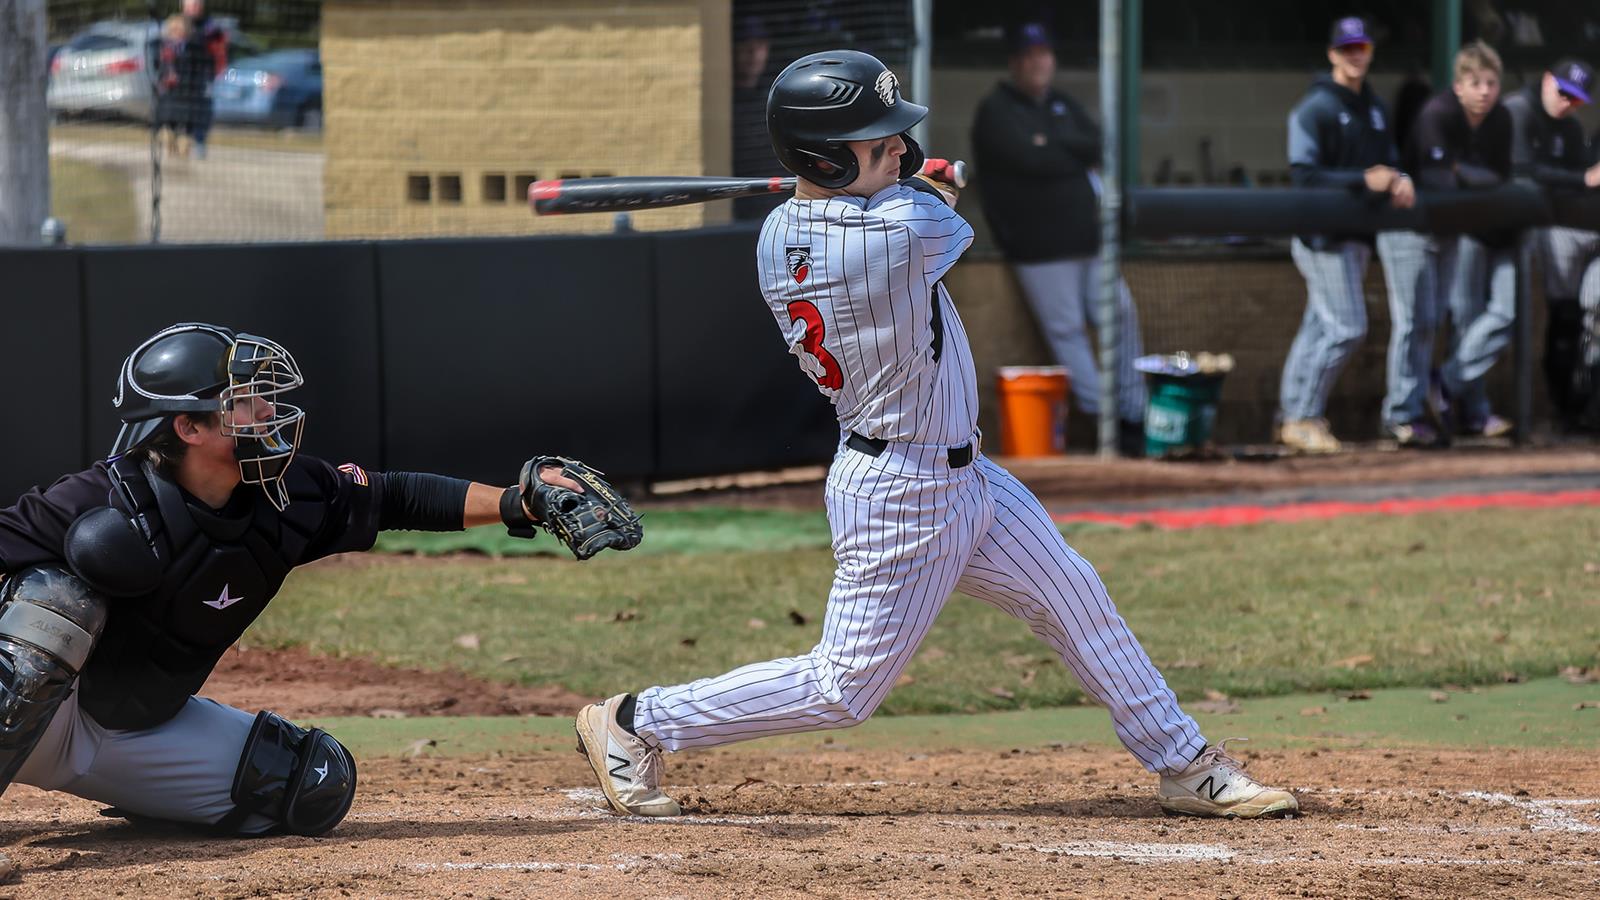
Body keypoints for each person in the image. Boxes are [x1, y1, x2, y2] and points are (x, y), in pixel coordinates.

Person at [573, 50, 1299, 822]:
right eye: (876, 139)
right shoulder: (891, 237)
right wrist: (923, 176)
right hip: (902, 494)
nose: (896, 145)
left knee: (1075, 598)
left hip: (963, 473)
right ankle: (637, 723)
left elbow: (878, 197)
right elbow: (930, 209)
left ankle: (1184, 762)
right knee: (841, 690)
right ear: (823, 158)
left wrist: (891, 172)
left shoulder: (782, 231)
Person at [0, 323, 631, 836]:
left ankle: (141, 797)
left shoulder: (291, 496)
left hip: (135, 730)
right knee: (57, 604)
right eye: (242, 401)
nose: (267, 410)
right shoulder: (96, 498)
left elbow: (395, 496)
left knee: (311, 784)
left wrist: (521, 502)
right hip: (41, 711)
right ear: (187, 427)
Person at [971, 22, 1147, 455]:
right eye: (1029, 55)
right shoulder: (996, 110)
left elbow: (1094, 143)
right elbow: (1030, 160)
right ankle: (1110, 422)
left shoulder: (1063, 104)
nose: (1038, 63)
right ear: (1015, 62)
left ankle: (1135, 413)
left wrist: (1052, 144)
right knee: (1068, 331)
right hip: (1040, 247)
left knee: (1121, 316)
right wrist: (1065, 152)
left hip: (1089, 239)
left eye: (1044, 54)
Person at [1281, 16, 1420, 452]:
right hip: (1322, 237)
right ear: (1332, 54)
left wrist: (1399, 178)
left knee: (1318, 328)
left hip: (1356, 236)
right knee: (1347, 327)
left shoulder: (1374, 107)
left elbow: (1390, 163)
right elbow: (1303, 176)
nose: (1356, 55)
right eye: (1347, 48)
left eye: (1362, 47)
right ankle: (1301, 414)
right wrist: (1363, 179)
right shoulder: (1315, 107)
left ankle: (1290, 416)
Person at [1410, 42, 1516, 439]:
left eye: (1491, 83)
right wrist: (1469, 176)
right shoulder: (1438, 113)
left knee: (1503, 314)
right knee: (1462, 319)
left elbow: (1499, 177)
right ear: (1458, 86)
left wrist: (1463, 172)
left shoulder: (1501, 117)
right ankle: (1474, 412)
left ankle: (1446, 384)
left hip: (1490, 228)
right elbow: (1439, 178)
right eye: (1475, 83)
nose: (1484, 91)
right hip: (1446, 230)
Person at [1502, 59, 1600, 430]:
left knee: (1583, 318)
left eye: (1576, 99)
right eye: (1562, 92)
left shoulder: (1572, 129)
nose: (1566, 103)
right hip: (1513, 233)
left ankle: (1580, 408)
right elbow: (1522, 171)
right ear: (1547, 81)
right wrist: (1583, 179)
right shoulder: (1518, 110)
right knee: (1558, 317)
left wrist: (1582, 179)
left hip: (1575, 229)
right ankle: (1560, 409)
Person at [731, 14, 785, 221]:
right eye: (746, 46)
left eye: (760, 46)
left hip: (775, 206)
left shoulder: (775, 99)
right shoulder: (725, 103)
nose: (754, 54)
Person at [172, 0, 228, 160]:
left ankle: (199, 141)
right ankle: (179, 141)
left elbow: (219, 50)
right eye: (190, 5)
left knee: (202, 109)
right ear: (183, 6)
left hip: (202, 76)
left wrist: (216, 69)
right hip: (181, 78)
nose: (193, 9)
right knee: (179, 109)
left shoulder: (211, 28)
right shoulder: (176, 24)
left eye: (196, 5)